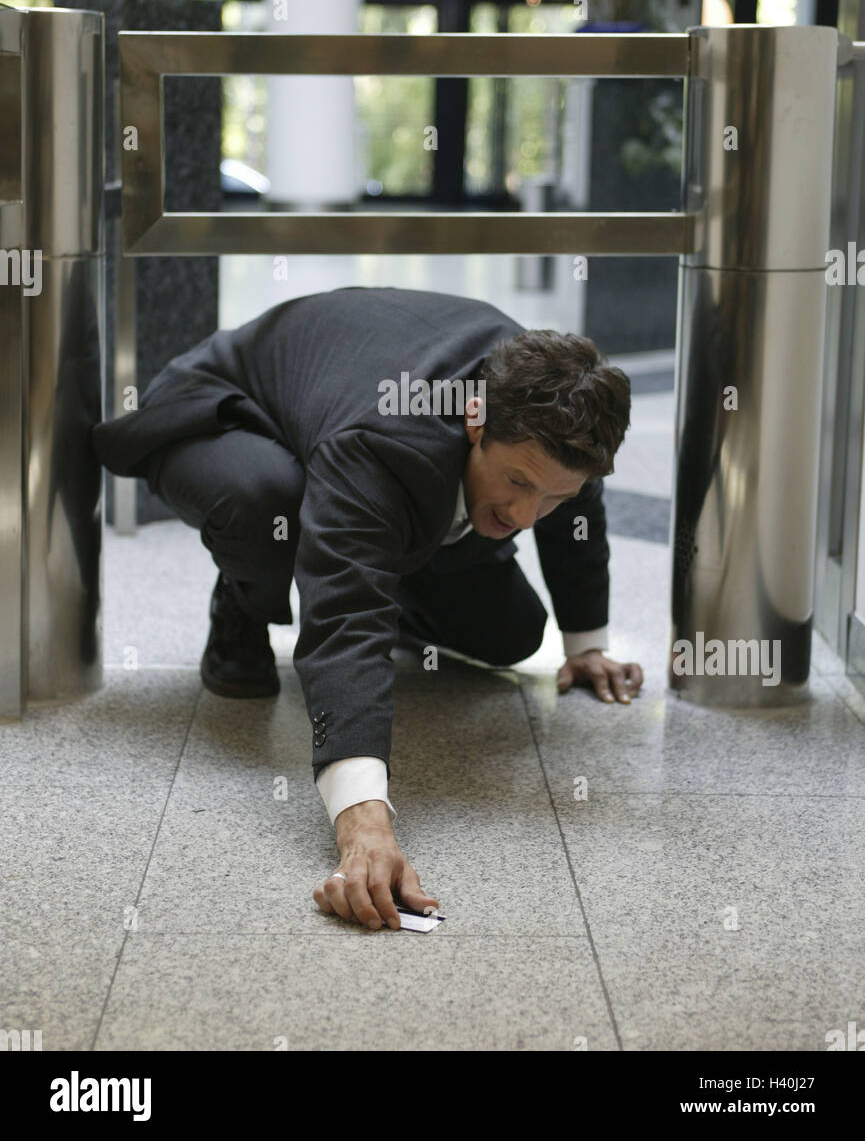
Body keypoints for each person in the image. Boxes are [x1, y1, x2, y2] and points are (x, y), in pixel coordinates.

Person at [91, 285, 643, 930]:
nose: (525, 516)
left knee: (512, 634)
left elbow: (572, 508)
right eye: (516, 482)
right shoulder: (385, 439)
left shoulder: (562, 416)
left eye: (551, 497)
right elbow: (347, 617)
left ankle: (375, 549)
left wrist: (586, 646)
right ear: (475, 420)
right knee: (268, 504)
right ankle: (243, 599)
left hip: (360, 425)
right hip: (230, 413)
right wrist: (363, 822)